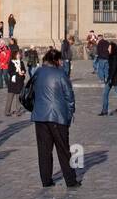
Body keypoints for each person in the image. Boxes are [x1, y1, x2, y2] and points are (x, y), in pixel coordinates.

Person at [30, 49, 80, 189]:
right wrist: (69, 115)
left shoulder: (38, 72)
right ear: (57, 60)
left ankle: (46, 180)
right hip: (58, 117)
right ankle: (70, 180)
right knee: (63, 150)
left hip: (40, 117)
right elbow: (69, 97)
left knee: (44, 150)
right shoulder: (61, 74)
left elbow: (32, 92)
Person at [5, 46, 27, 116]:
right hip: (13, 83)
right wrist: (18, 73)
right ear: (14, 55)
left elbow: (24, 70)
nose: (19, 55)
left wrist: (23, 71)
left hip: (20, 82)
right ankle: (7, 111)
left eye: (19, 54)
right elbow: (10, 72)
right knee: (10, 98)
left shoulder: (21, 62)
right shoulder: (11, 62)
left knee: (18, 98)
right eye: (18, 54)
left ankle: (18, 111)